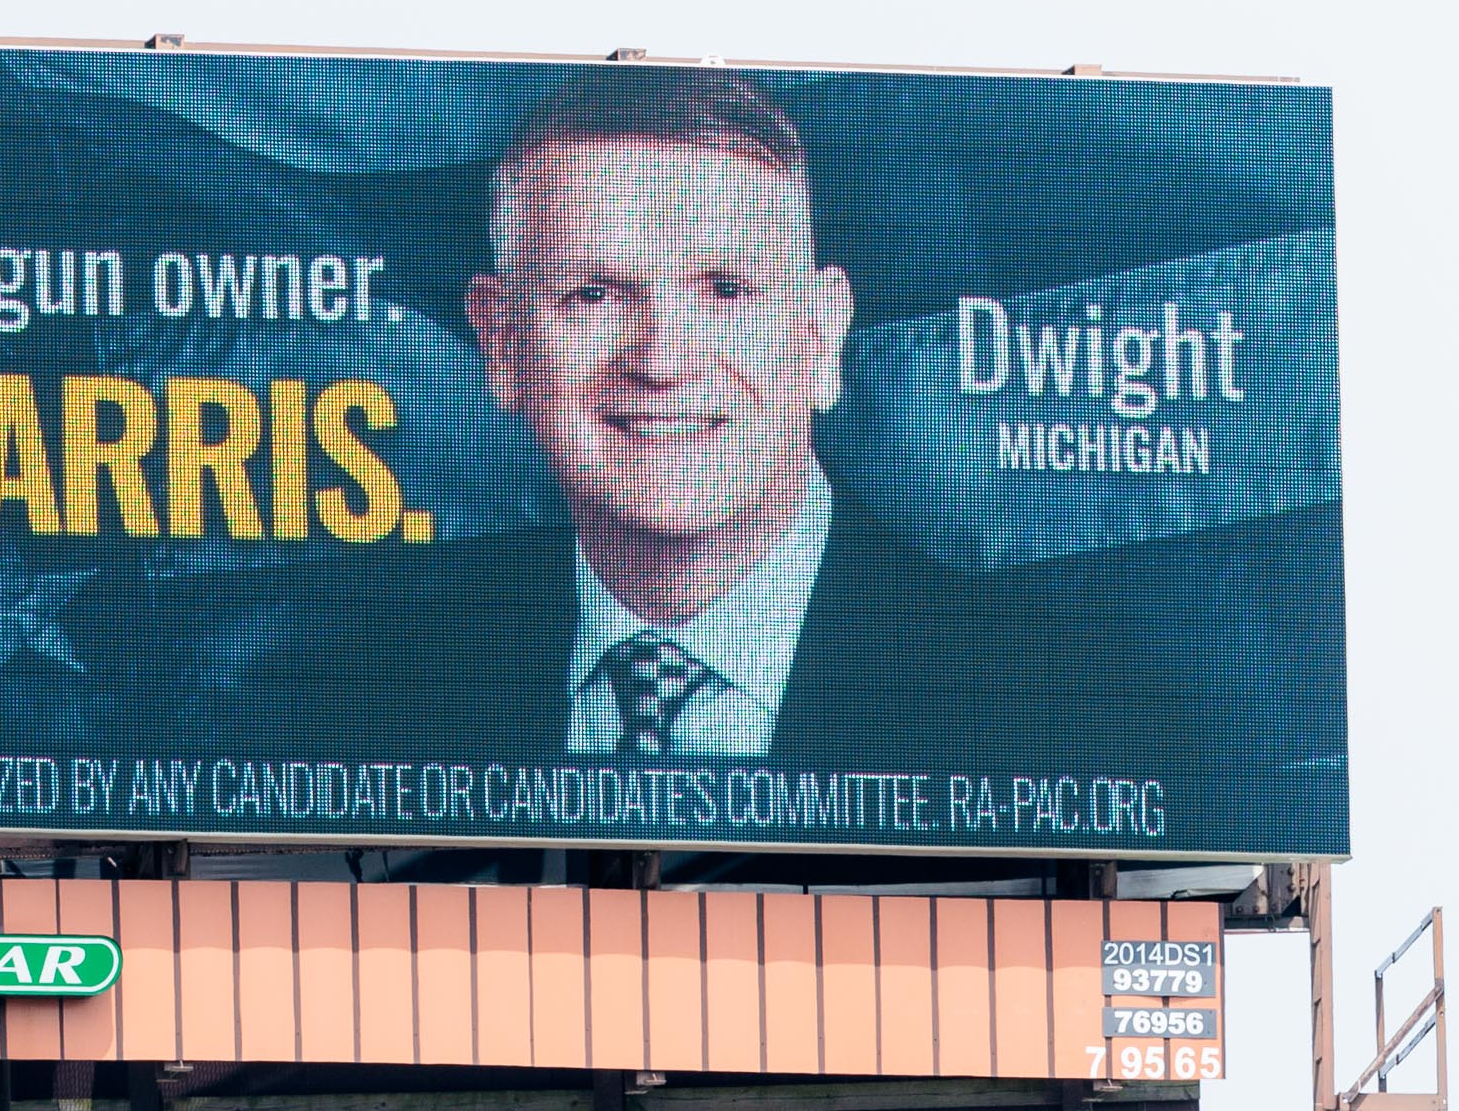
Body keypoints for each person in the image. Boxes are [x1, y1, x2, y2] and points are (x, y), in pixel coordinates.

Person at [439, 69, 1044, 762]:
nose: (662, 361)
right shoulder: (384, 675)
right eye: (595, 295)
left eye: (726, 291)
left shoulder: (1052, 699)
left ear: (819, 335)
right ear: (502, 343)